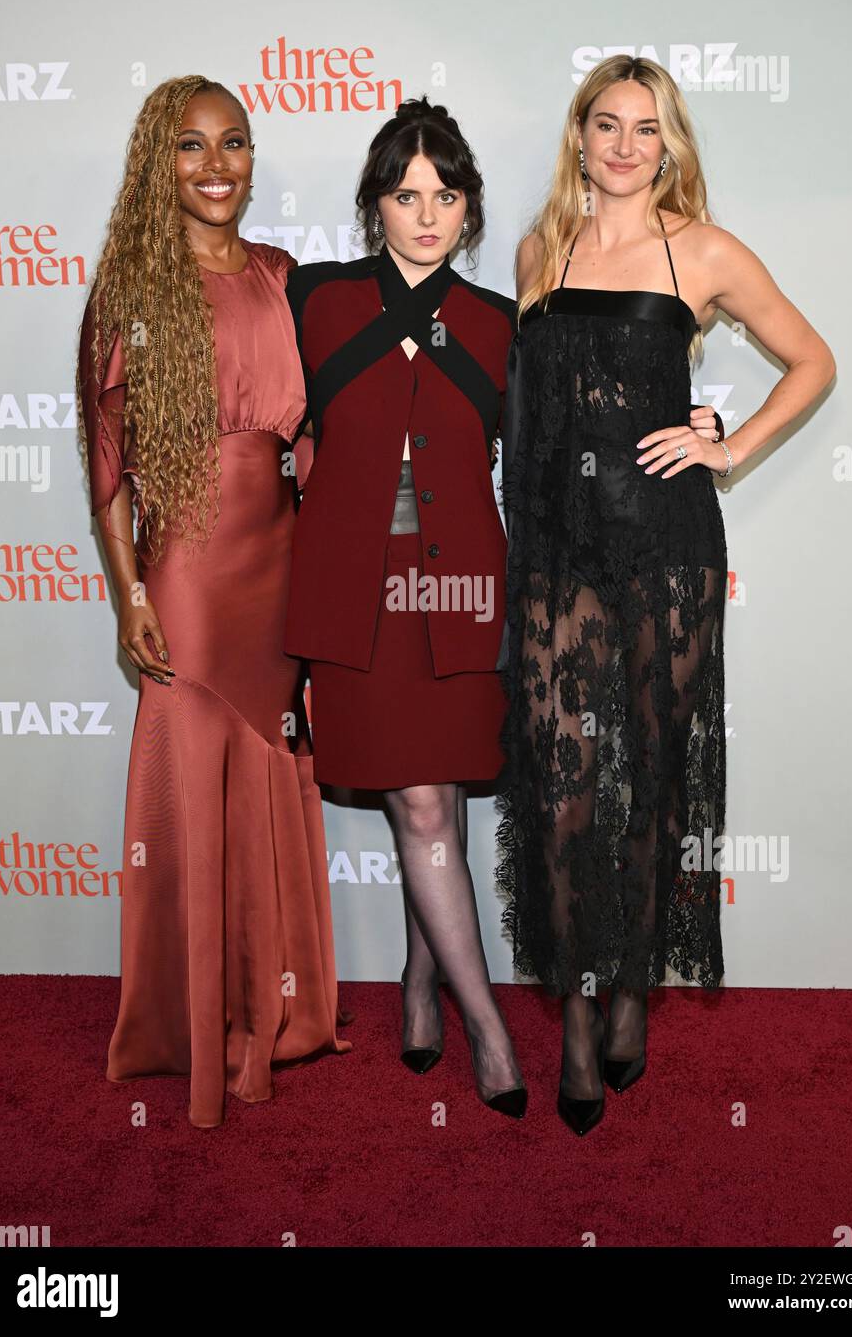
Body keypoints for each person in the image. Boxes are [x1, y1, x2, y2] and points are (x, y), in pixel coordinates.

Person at [494, 55, 836, 1136]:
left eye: (647, 128)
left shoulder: (704, 249)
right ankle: (579, 1020)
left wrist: (726, 447)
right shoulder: (539, 248)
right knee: (561, 797)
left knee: (648, 781)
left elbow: (812, 360)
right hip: (558, 553)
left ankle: (632, 985)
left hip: (665, 547)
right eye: (607, 124)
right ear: (579, 135)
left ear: (670, 143)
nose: (625, 145)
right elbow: (533, 413)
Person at [77, 74, 351, 1129]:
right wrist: (127, 595)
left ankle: (278, 1016)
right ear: (160, 163)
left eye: (232, 144)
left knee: (277, 780)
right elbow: (105, 468)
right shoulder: (125, 293)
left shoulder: (284, 276)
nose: (216, 166)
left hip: (279, 565)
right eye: (190, 148)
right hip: (186, 573)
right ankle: (186, 1028)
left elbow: (317, 439)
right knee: (190, 787)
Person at [284, 97, 526, 1117]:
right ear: (373, 205)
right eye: (404, 194)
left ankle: (423, 979)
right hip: (356, 601)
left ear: (468, 209)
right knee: (425, 803)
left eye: (445, 195)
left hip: (464, 593)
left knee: (446, 800)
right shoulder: (314, 301)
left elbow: (556, 449)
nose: (425, 214)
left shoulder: (501, 325)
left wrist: (701, 423)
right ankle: (489, 1027)